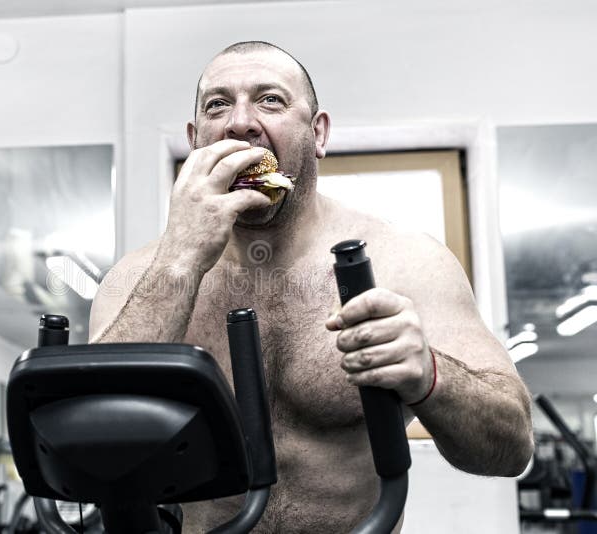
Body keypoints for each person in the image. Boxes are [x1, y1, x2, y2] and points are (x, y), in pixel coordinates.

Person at [89, 41, 534, 533]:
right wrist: (180, 259)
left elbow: (511, 448)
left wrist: (429, 373)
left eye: (271, 100)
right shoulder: (141, 276)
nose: (240, 122)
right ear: (197, 140)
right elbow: (93, 452)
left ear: (317, 133)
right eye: (218, 104)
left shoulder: (405, 260)